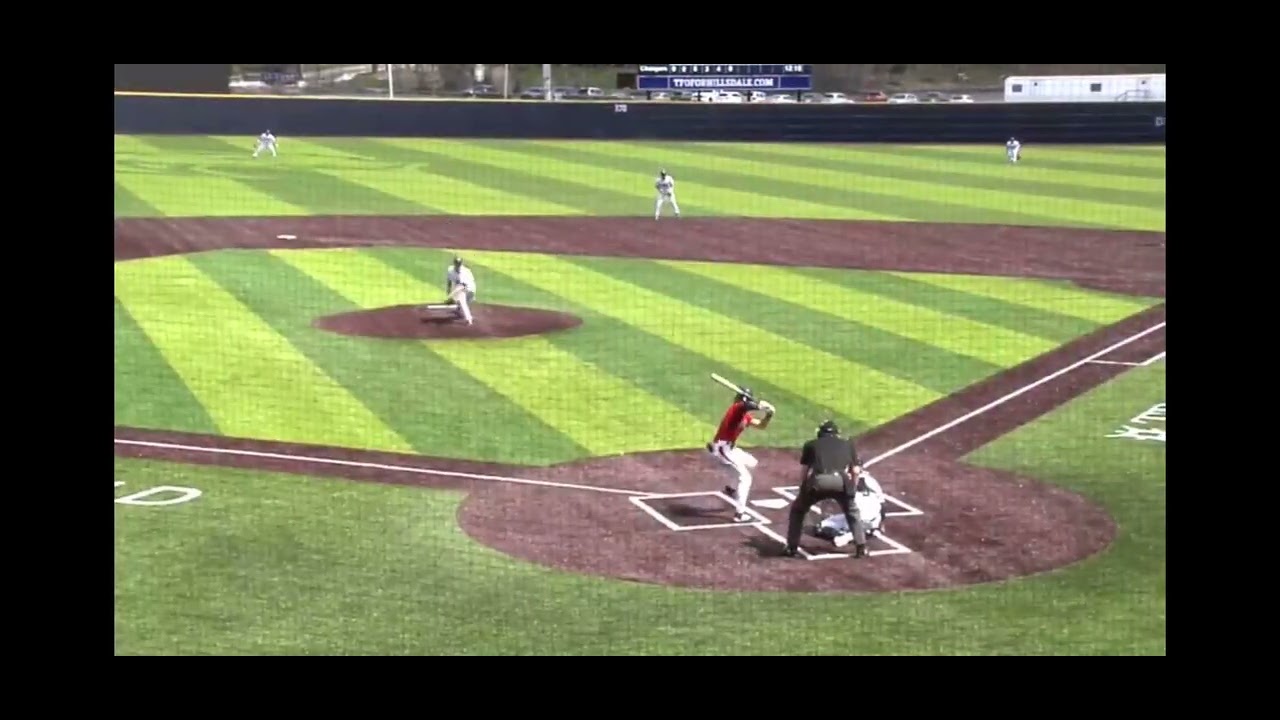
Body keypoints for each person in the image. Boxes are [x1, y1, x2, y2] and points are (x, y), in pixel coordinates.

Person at [785, 420, 867, 558]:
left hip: (819, 481)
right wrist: (851, 488)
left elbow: (805, 471)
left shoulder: (811, 445)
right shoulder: (848, 444)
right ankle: (861, 547)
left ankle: (791, 548)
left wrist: (804, 490)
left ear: (820, 433)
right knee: (852, 512)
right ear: (837, 433)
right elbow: (856, 471)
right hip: (841, 481)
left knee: (798, 510)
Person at [709, 388, 773, 522]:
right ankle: (739, 514)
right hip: (722, 448)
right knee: (745, 478)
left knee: (752, 463)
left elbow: (761, 425)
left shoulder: (745, 416)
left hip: (731, 448)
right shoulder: (735, 409)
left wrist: (768, 415)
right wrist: (761, 406)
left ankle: (731, 489)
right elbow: (745, 406)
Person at [814, 470, 886, 544]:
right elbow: (883, 503)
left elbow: (834, 504)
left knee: (825, 528)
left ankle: (849, 534)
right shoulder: (872, 481)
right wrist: (882, 522)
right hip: (873, 519)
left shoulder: (845, 483)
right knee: (822, 526)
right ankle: (865, 531)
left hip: (860, 519)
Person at [444, 256, 477, 325]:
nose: (458, 265)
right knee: (462, 301)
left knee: (463, 302)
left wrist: (451, 296)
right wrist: (449, 291)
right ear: (454, 263)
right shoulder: (450, 270)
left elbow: (461, 287)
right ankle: (461, 312)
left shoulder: (463, 273)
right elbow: (449, 280)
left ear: (461, 264)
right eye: (456, 263)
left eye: (459, 264)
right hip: (462, 287)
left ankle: (469, 319)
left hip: (470, 288)